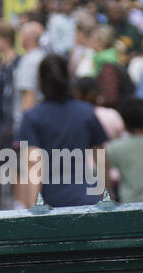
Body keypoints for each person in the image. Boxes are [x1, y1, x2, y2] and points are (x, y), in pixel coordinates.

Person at [18, 53, 107, 207]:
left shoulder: (32, 118)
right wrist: (105, 193)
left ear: (40, 82)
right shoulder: (86, 112)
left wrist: (33, 211)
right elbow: (101, 157)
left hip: (52, 202)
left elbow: (34, 166)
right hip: (87, 199)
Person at [107, 97, 143, 203]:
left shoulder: (115, 147)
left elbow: (101, 173)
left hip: (127, 202)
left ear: (124, 121)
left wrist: (110, 195)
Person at [0, 19, 19, 150]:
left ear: (6, 40)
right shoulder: (0, 65)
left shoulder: (17, 64)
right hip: (1, 123)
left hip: (12, 124)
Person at [13, 19, 45, 127]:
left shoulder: (29, 61)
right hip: (39, 120)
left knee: (24, 145)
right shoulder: (42, 56)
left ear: (25, 38)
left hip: (27, 124)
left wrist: (24, 127)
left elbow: (28, 95)